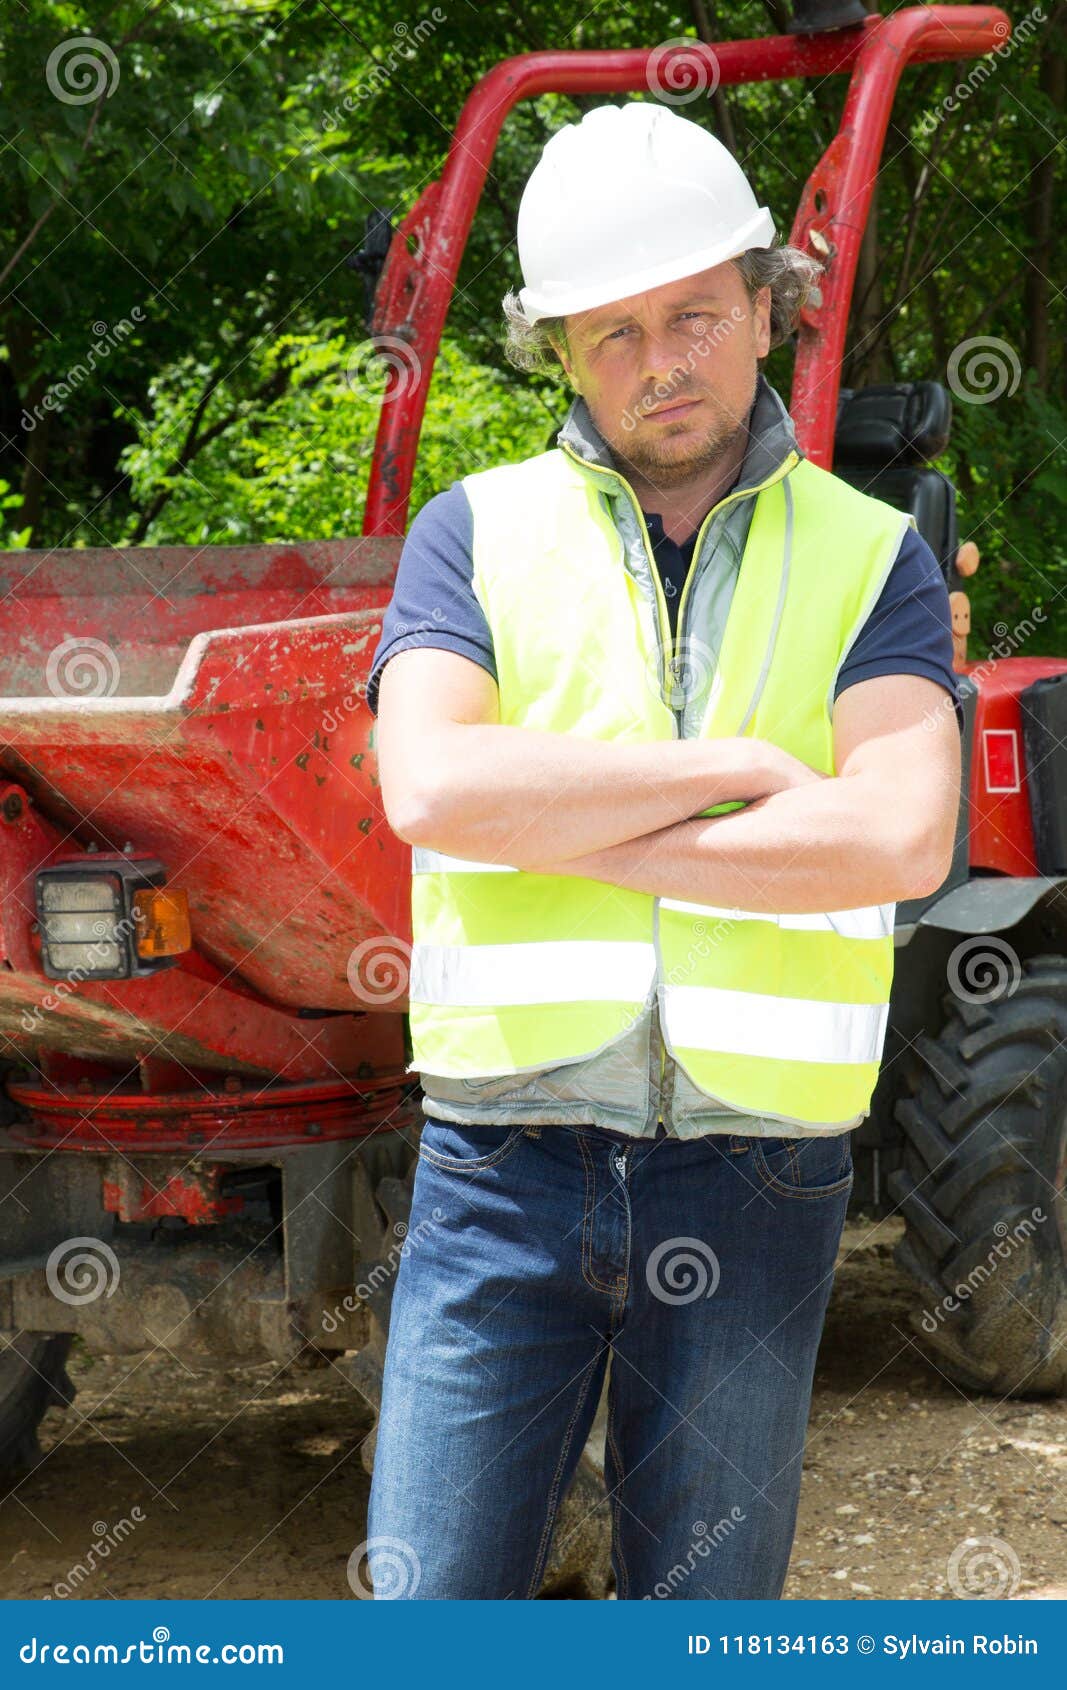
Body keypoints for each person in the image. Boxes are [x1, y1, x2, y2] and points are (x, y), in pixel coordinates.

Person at [364, 100, 962, 1600]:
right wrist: (740, 779)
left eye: (693, 312)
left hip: (757, 1179)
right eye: (611, 330)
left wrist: (570, 826)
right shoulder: (472, 533)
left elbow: (901, 829)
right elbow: (433, 785)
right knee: (432, 1612)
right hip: (500, 1164)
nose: (660, 360)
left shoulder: (868, 552)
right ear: (559, 350)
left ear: (767, 304)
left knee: (704, 1629)